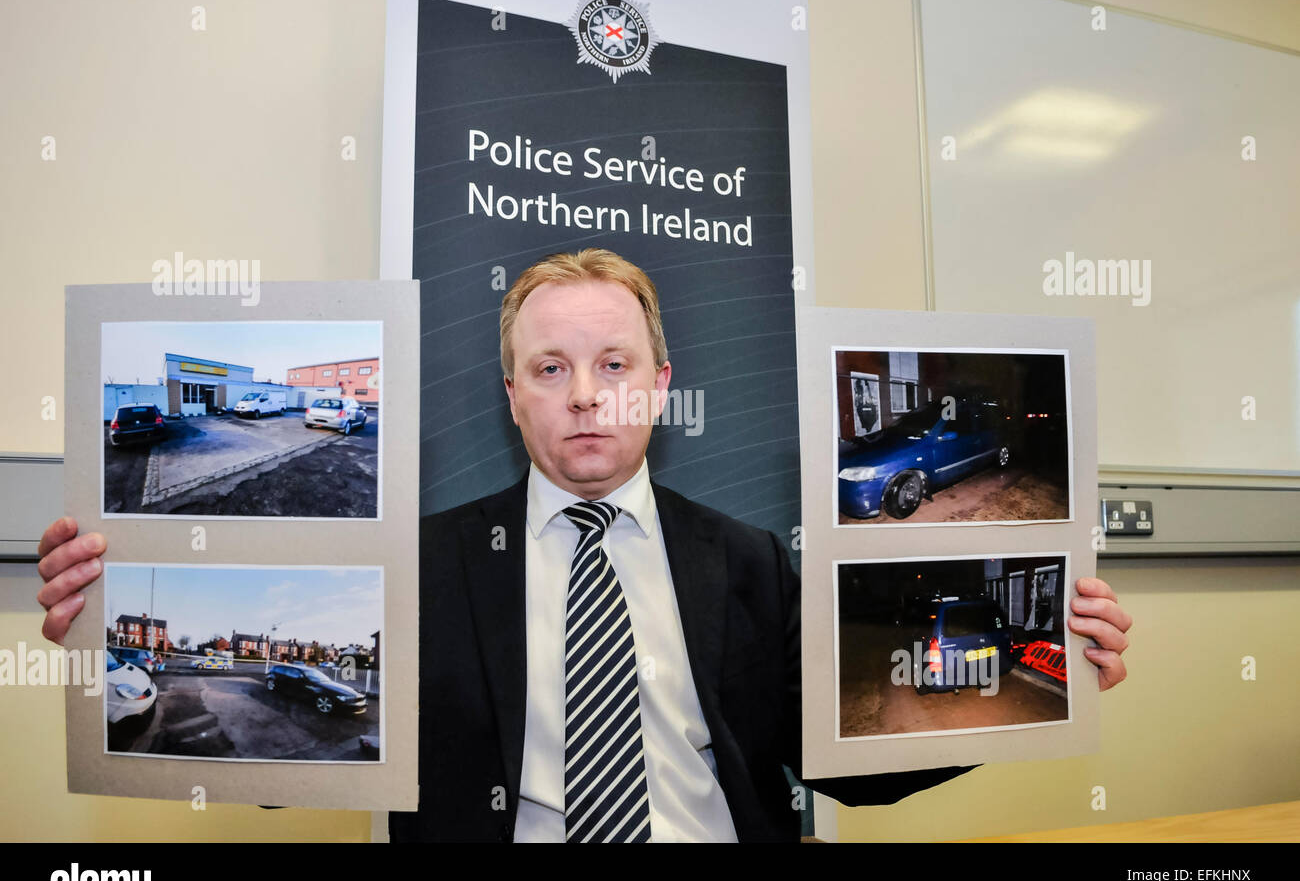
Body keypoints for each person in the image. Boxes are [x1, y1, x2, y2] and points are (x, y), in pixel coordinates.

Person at [37, 248, 1132, 842]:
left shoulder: (748, 559)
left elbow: (852, 770)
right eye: (550, 369)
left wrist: (1049, 676)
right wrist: (98, 627)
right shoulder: (418, 563)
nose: (586, 397)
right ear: (511, 394)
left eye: (614, 364)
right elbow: (306, 763)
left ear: (660, 383)